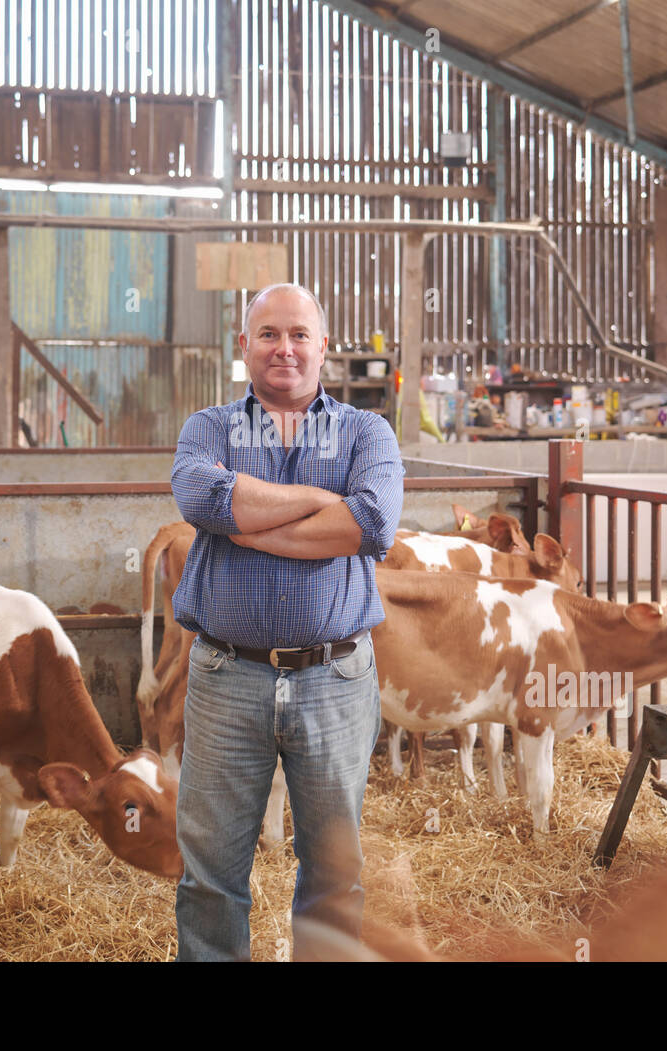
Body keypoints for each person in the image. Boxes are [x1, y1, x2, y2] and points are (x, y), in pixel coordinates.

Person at [169, 282, 404, 962]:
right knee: (210, 872)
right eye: (268, 334)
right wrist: (320, 501)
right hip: (226, 674)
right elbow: (201, 496)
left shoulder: (367, 430)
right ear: (244, 345)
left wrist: (245, 519)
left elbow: (372, 521)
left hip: (335, 676)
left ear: (323, 346)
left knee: (333, 872)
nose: (284, 348)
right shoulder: (208, 427)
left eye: (299, 334)